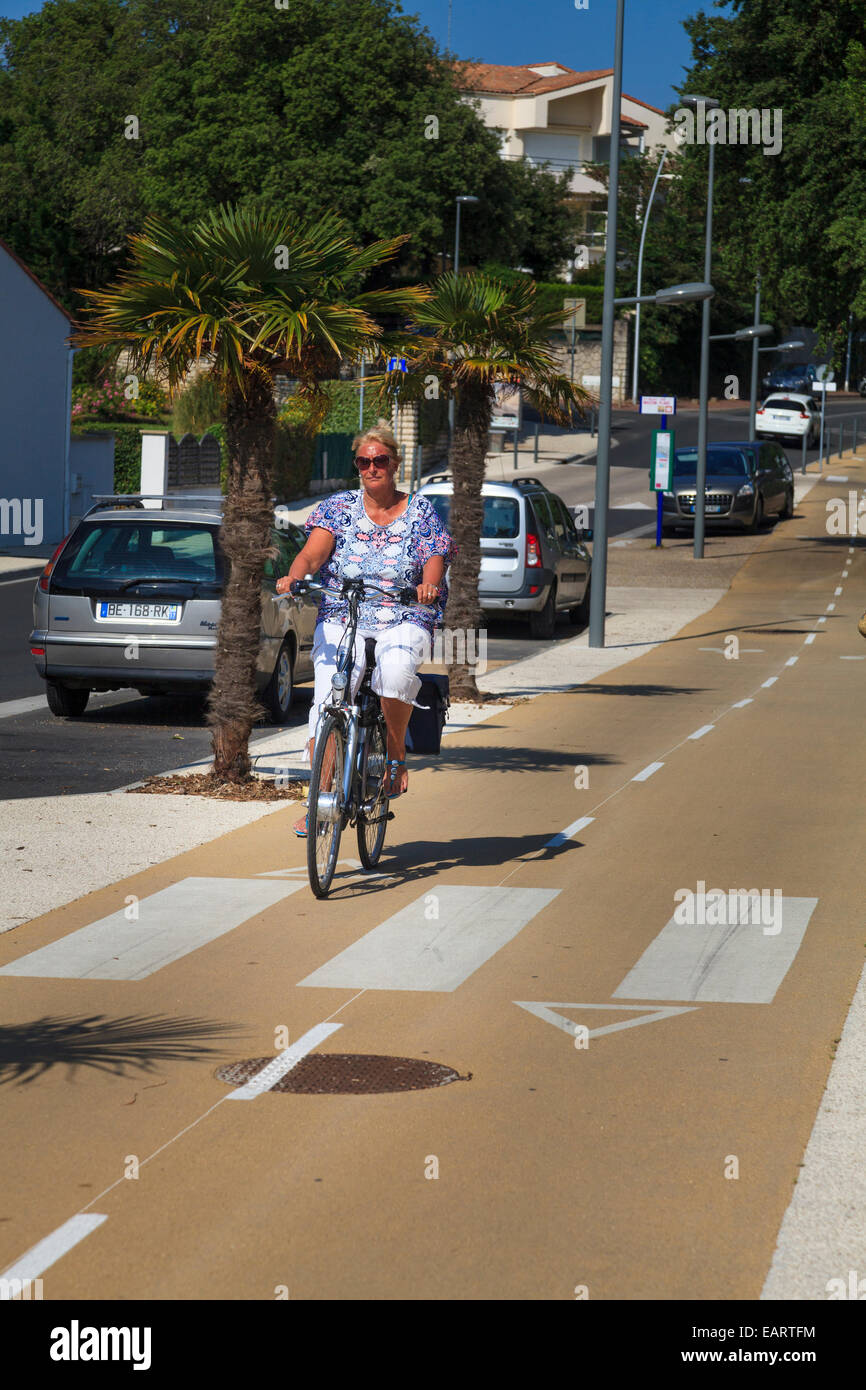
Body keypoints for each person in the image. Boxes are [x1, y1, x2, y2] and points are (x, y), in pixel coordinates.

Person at [277, 420, 452, 836]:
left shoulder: (421, 510)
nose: (372, 468)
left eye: (380, 460)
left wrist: (429, 584)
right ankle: (319, 800)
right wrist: (294, 575)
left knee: (393, 675)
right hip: (344, 610)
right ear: (357, 466)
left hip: (404, 611)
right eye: (363, 461)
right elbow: (312, 555)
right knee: (330, 694)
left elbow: (434, 556)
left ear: (394, 463)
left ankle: (394, 756)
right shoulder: (338, 508)